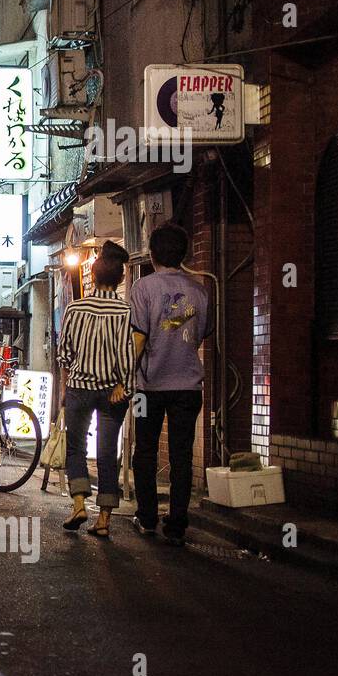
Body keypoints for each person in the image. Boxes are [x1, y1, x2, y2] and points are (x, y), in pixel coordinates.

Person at [129, 224, 210, 545]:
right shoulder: (201, 291)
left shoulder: (142, 287)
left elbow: (139, 336)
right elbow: (202, 334)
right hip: (189, 387)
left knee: (144, 451)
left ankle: (147, 518)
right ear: (184, 254)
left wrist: (127, 375)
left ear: (152, 254)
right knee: (181, 456)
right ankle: (177, 524)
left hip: (148, 387)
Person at [57, 240, 133, 538]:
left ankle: (78, 504)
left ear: (93, 275)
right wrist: (123, 384)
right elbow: (128, 354)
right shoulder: (124, 311)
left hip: (79, 387)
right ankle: (103, 519)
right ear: (120, 279)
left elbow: (64, 354)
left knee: (75, 447)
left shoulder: (76, 308)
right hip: (112, 391)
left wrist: (66, 387)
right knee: (105, 452)